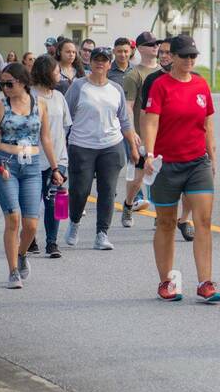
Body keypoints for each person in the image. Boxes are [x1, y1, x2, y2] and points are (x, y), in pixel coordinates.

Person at [140, 35, 219, 302]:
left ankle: (205, 282)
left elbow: (208, 123)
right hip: (167, 164)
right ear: (171, 56)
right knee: (166, 223)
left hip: (197, 162)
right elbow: (151, 122)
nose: (189, 60)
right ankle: (166, 282)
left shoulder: (200, 84)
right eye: (184, 55)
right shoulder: (160, 86)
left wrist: (213, 155)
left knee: (204, 221)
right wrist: (149, 153)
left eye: (192, 56)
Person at [0, 63, 65, 289]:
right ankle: (13, 270)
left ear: (23, 82)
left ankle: (22, 253)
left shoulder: (40, 105)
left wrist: (55, 168)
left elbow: (45, 139)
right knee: (13, 219)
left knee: (32, 225)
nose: (4, 87)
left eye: (9, 83)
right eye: (1, 83)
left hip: (32, 166)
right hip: (5, 165)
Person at [63, 46, 136, 250]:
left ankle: (102, 234)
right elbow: (65, 118)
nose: (100, 63)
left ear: (109, 64)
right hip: (82, 146)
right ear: (90, 62)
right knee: (80, 190)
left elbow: (124, 120)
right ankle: (74, 223)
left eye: (104, 60)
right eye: (96, 59)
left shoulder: (116, 89)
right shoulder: (78, 87)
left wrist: (133, 146)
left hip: (111, 147)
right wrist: (61, 147)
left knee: (108, 191)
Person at [140, 42, 195, 241]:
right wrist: (147, 146)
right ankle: (162, 214)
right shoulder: (153, 81)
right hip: (163, 144)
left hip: (190, 145)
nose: (163, 56)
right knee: (164, 189)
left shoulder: (196, 80)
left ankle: (184, 219)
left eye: (166, 53)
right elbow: (145, 116)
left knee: (191, 189)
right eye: (161, 52)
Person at [31, 54, 71, 257]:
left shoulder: (59, 97)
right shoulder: (28, 97)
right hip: (33, 160)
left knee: (53, 201)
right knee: (31, 203)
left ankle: (52, 243)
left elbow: (66, 127)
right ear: (46, 73)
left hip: (58, 159)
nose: (59, 75)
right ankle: (30, 239)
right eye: (56, 71)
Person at [120, 31, 159, 225]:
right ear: (141, 48)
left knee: (162, 176)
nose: (155, 47)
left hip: (163, 135)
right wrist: (132, 132)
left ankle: (161, 216)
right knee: (138, 179)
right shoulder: (133, 74)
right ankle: (128, 205)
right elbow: (128, 106)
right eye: (151, 44)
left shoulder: (164, 72)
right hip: (142, 135)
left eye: (156, 44)